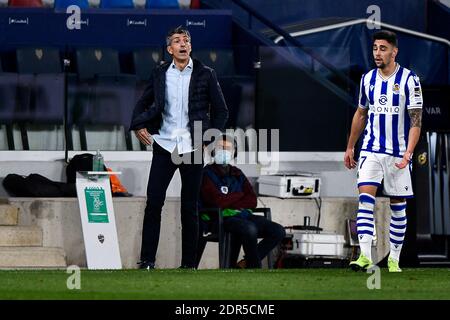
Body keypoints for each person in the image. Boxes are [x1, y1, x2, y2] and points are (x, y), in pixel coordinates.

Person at [130, 26, 228, 269]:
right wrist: (137, 124)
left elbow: (221, 111)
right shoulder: (160, 72)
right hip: (164, 145)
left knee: (190, 208)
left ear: (190, 47)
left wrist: (209, 139)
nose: (183, 43)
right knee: (154, 203)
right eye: (177, 40)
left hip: (192, 146)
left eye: (186, 40)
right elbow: (143, 102)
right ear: (170, 49)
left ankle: (188, 265)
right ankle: (147, 261)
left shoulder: (206, 73)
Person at [344, 30, 423, 273]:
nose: (377, 53)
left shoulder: (410, 80)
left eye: (383, 48)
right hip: (371, 149)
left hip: (398, 153)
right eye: (375, 48)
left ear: (394, 51)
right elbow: (360, 113)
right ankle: (366, 256)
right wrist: (350, 146)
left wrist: (409, 152)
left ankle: (394, 259)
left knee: (398, 206)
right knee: (365, 199)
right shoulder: (367, 79)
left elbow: (416, 121)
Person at [196, 135, 286, 269]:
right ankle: (254, 267)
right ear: (214, 151)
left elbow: (252, 200)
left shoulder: (237, 173)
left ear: (234, 153)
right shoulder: (206, 173)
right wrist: (239, 195)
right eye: (220, 147)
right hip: (219, 219)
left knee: (278, 231)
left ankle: (246, 263)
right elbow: (217, 201)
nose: (224, 151)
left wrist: (230, 199)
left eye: (228, 148)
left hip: (243, 216)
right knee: (249, 228)